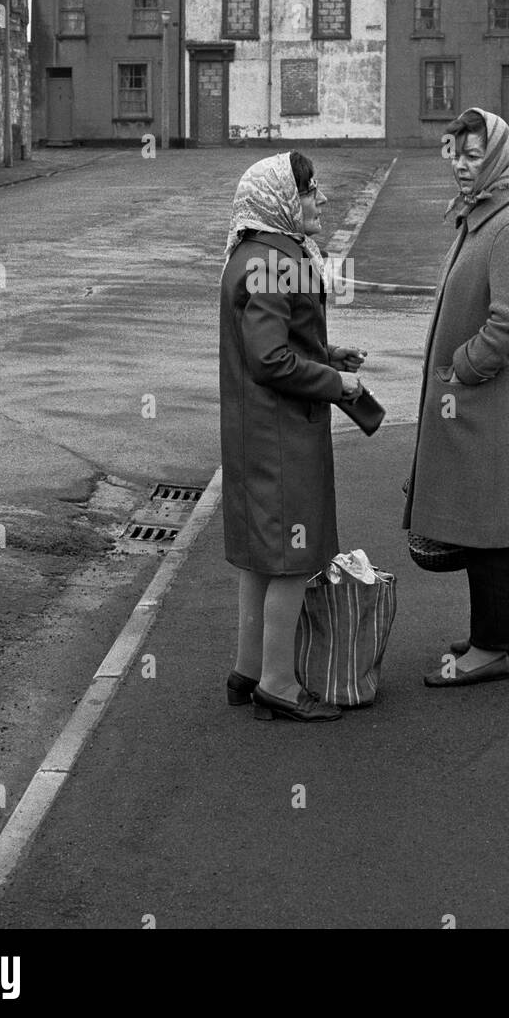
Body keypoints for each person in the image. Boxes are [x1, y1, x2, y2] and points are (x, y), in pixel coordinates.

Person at [403, 107, 509, 687]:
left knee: (487, 522)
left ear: (495, 158)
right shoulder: (485, 215)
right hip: (482, 406)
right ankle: (508, 631)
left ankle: (490, 649)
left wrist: (462, 370)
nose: (462, 168)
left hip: (487, 404)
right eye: (456, 155)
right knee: (499, 520)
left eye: (473, 156)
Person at [220, 150, 367, 722]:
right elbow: (271, 359)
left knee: (261, 556)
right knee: (293, 558)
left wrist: (326, 352)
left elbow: (269, 337)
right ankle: (278, 687)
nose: (321, 199)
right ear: (284, 199)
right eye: (310, 191)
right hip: (282, 433)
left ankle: (247, 670)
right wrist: (338, 382)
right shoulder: (277, 260)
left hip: (253, 427)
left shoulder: (253, 253)